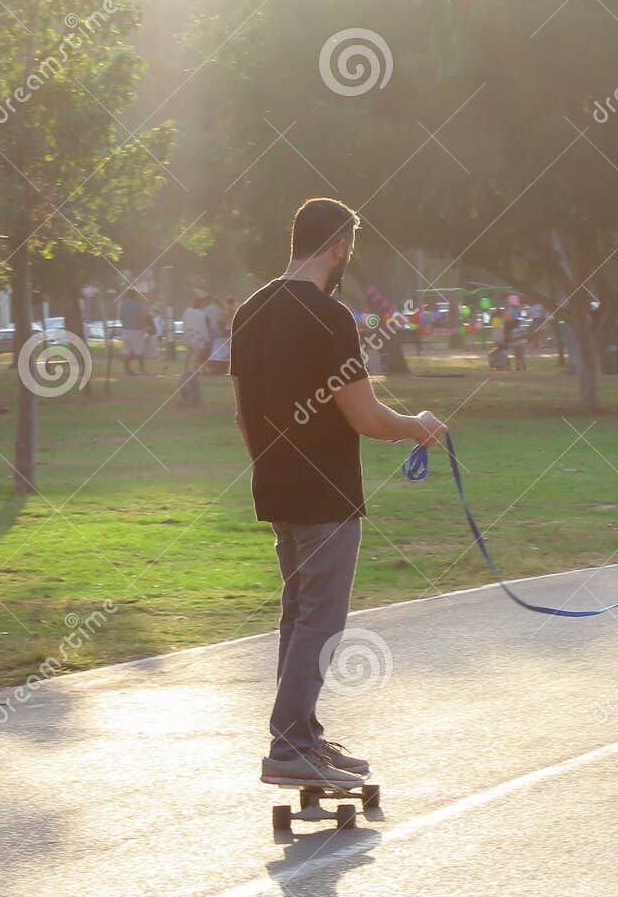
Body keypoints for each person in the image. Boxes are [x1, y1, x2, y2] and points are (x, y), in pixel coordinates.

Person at [230, 197, 446, 787]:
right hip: (326, 497)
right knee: (320, 622)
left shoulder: (249, 310)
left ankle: (302, 737)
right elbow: (366, 417)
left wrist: (270, 467)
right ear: (338, 246)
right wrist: (417, 424)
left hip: (276, 489)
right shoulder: (332, 318)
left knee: (299, 615)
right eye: (350, 244)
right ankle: (289, 746)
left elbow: (244, 413)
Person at [180, 294, 212, 405]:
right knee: (196, 355)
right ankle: (194, 371)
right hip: (197, 336)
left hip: (188, 334)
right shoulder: (201, 314)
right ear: (201, 304)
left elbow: (184, 323)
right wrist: (206, 337)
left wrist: (185, 334)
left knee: (189, 353)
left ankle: (184, 371)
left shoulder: (187, 311)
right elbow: (202, 326)